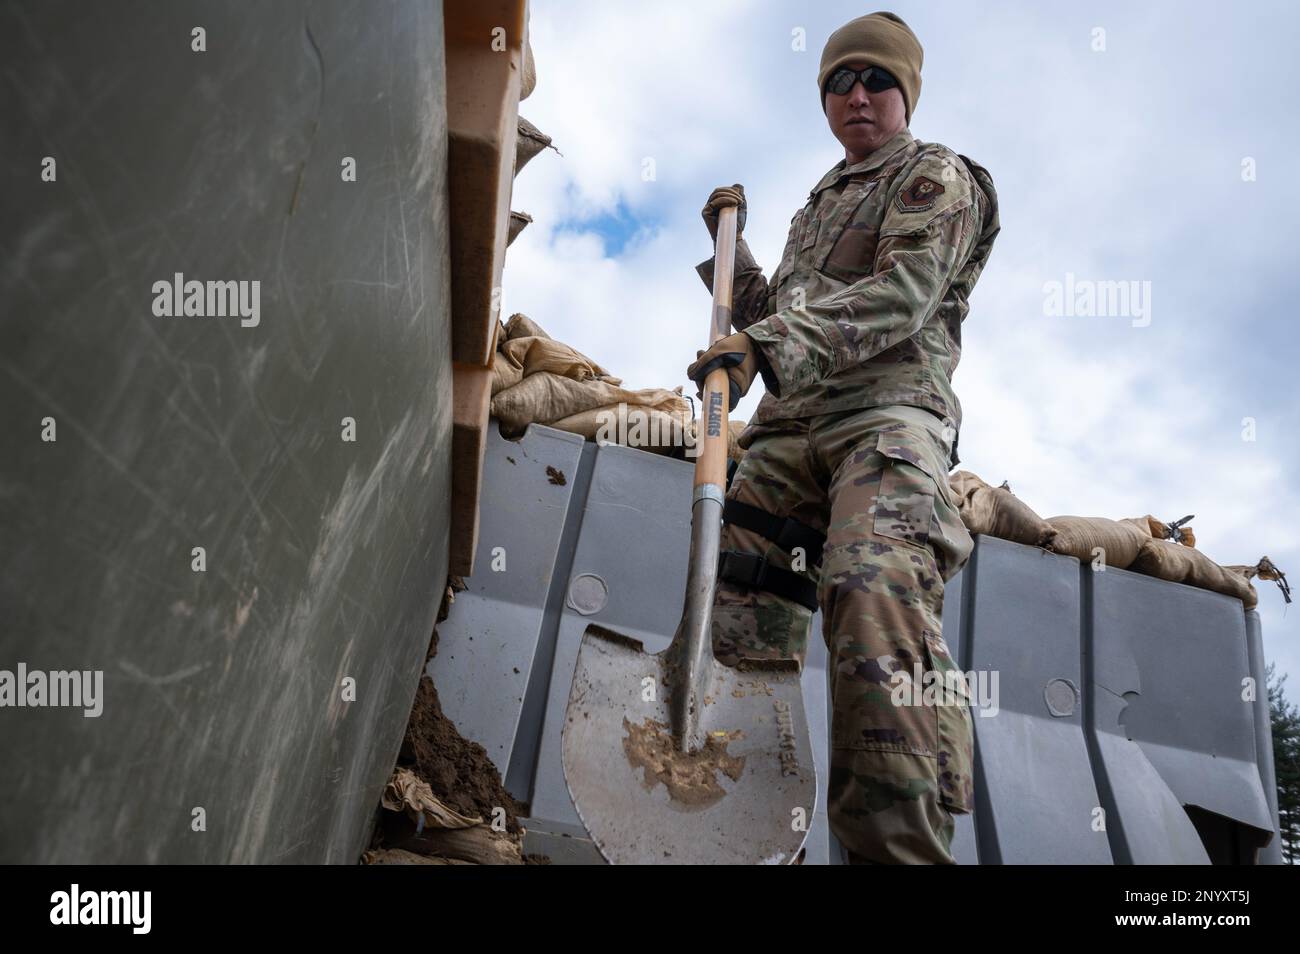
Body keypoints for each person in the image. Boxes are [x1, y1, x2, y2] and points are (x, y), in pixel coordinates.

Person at [685, 11, 1000, 864]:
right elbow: (782, 316)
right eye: (838, 82)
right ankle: (730, 836)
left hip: (885, 419)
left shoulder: (938, 177)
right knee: (735, 610)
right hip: (790, 431)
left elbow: (902, 296)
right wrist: (735, 265)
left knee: (870, 598)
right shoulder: (817, 204)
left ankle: (897, 853)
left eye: (876, 80)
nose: (857, 95)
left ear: (907, 94)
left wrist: (769, 344)